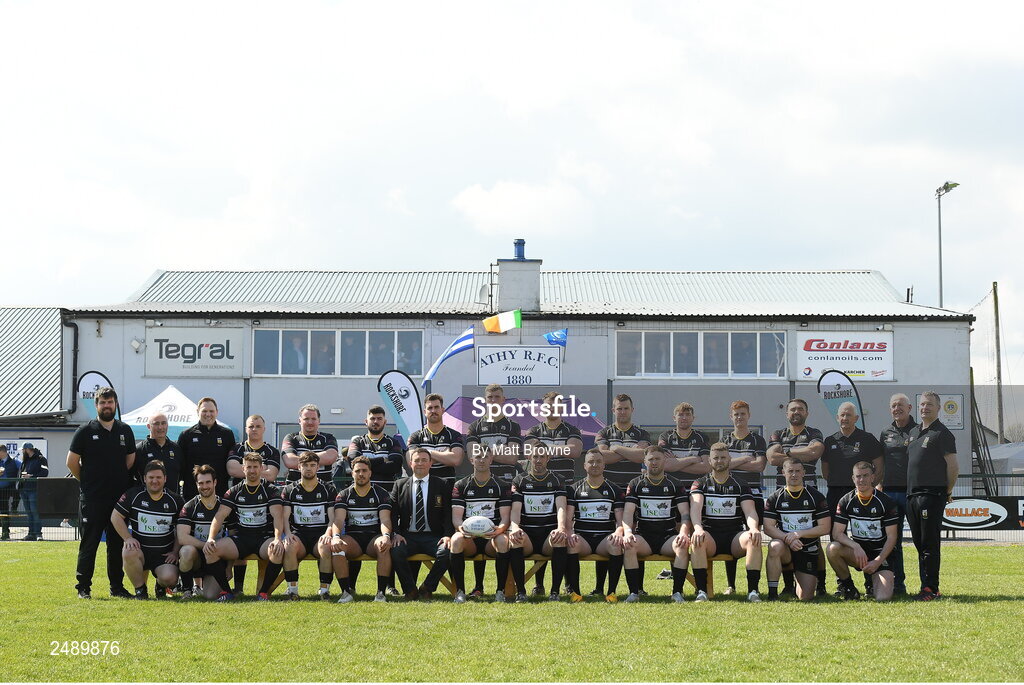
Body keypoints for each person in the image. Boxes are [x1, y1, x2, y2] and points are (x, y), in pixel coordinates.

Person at [67, 386, 136, 599]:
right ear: (96, 405)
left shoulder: (125, 430)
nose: (107, 406)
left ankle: (116, 587)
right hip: (93, 499)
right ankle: (83, 588)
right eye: (103, 403)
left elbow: (130, 460)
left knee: (116, 545)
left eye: (110, 402)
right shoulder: (85, 431)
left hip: (118, 500)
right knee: (90, 544)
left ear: (115, 404)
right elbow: (71, 462)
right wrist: (87, 482)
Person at [203, 453, 286, 601]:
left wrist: (278, 538)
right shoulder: (234, 491)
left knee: (277, 551)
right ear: (243, 468)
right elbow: (220, 516)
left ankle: (263, 593)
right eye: (249, 467)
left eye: (255, 467)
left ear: (261, 468)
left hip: (264, 538)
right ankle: (226, 592)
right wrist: (210, 538)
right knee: (211, 551)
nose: (252, 471)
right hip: (241, 539)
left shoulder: (271, 489)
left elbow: (277, 516)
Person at [465, 384, 522, 596]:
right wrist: (496, 453)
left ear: (503, 400)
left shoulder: (513, 426)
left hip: (505, 485)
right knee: (479, 529)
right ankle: (478, 587)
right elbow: (473, 454)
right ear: (485, 401)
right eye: (489, 397)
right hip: (481, 485)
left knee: (502, 534)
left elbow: (513, 457)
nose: (493, 400)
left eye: (497, 397)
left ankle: (506, 587)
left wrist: (486, 455)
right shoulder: (475, 427)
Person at [689, 443, 763, 602]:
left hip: (734, 538)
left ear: (729, 459)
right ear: (710, 460)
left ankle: (753, 591)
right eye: (716, 458)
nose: (719, 461)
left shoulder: (741, 484)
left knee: (753, 539)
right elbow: (695, 509)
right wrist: (697, 528)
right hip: (711, 538)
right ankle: (702, 591)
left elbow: (750, 511)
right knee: (697, 539)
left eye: (723, 457)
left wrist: (753, 528)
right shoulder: (700, 483)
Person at [767, 399, 826, 595]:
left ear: (807, 413)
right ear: (787, 414)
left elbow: (815, 451)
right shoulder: (778, 434)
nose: (796, 412)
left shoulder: (814, 433)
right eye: (792, 409)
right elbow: (771, 458)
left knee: (814, 540)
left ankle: (821, 585)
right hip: (783, 492)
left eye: (800, 409)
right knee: (784, 537)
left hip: (809, 491)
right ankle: (787, 585)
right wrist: (802, 455)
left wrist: (788, 451)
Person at [620, 446, 691, 603]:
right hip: (644, 537)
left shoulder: (675, 484)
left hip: (667, 536)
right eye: (650, 459)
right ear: (644, 462)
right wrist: (628, 532)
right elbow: (627, 513)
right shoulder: (636, 483)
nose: (654, 462)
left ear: (664, 461)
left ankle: (677, 593)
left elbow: (685, 514)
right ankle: (634, 593)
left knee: (682, 545)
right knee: (629, 545)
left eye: (657, 459)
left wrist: (684, 533)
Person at [906, 391, 957, 601]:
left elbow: (953, 466)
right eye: (922, 405)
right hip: (912, 495)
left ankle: (931, 588)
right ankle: (924, 585)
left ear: (938, 408)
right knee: (919, 544)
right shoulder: (914, 432)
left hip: (931, 494)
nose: (924, 408)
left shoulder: (942, 433)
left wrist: (947, 490)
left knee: (929, 544)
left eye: (929, 405)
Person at [826, 461, 899, 601]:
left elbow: (892, 537)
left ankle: (871, 583)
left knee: (883, 598)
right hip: (858, 554)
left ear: (873, 477)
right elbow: (837, 533)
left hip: (879, 554)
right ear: (853, 479)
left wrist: (878, 561)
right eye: (858, 476)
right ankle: (849, 588)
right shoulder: (846, 500)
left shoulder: (886, 501)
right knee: (832, 548)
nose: (862, 480)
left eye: (866, 476)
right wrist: (855, 546)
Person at [111, 460, 184, 598]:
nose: (154, 481)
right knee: (128, 551)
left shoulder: (175, 500)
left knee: (170, 578)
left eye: (158, 477)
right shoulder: (133, 494)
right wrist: (128, 538)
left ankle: (160, 585)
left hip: (163, 556)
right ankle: (140, 590)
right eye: (151, 477)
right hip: (141, 552)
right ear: (144, 478)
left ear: (165, 479)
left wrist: (175, 552)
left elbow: (182, 530)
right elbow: (115, 517)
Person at [389, 449, 454, 601]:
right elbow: (392, 514)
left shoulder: (442, 484)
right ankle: (410, 590)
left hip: (434, 536)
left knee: (446, 552)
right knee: (396, 551)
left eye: (424, 460)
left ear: (431, 463)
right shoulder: (399, 485)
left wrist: (447, 535)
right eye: (417, 460)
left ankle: (427, 587)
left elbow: (448, 514)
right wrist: (396, 533)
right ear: (410, 463)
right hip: (407, 536)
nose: (420, 463)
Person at [449, 448, 512, 603]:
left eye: (485, 457)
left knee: (503, 541)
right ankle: (460, 592)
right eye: (478, 457)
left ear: (491, 459)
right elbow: (456, 518)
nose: (481, 460)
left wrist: (500, 530)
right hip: (470, 538)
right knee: (456, 540)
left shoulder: (502, 485)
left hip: (492, 537)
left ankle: (500, 591)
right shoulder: (461, 485)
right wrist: (461, 529)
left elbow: (505, 518)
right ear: (471, 460)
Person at [763, 458, 830, 601]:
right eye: (790, 471)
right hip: (786, 546)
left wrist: (798, 534)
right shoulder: (775, 497)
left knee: (805, 597)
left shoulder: (816, 496)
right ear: (783, 473)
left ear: (804, 473)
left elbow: (825, 527)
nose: (794, 475)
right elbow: (768, 527)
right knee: (774, 546)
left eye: (798, 471)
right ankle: (773, 594)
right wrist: (788, 538)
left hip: (807, 548)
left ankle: (817, 585)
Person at [508, 445, 569, 602]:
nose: (538, 460)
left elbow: (561, 506)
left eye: (542, 457)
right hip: (528, 534)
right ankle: (521, 592)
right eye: (535, 457)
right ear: (529, 458)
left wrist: (561, 528)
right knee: (515, 540)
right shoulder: (519, 480)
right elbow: (515, 509)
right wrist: (514, 527)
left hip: (548, 535)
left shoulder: (558, 480)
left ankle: (554, 592)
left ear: (548, 458)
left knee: (560, 538)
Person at [565, 448, 625, 603]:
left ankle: (611, 593)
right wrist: (570, 532)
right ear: (584, 466)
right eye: (591, 461)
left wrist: (619, 531)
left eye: (598, 461)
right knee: (572, 544)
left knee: (616, 544)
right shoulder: (574, 489)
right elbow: (568, 517)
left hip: (604, 539)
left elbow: (620, 520)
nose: (595, 464)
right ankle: (576, 593)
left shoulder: (614, 489)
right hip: (583, 538)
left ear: (604, 465)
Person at [330, 456, 393, 602]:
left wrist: (386, 536)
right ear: (352, 473)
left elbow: (385, 519)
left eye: (364, 470)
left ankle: (380, 593)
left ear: (370, 473)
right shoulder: (344, 494)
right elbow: (338, 519)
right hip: (353, 540)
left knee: (383, 546)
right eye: (357, 471)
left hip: (373, 537)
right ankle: (346, 593)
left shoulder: (381, 493)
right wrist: (336, 536)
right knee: (337, 547)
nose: (361, 474)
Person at [721, 400, 767, 595]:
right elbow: (720, 466)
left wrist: (733, 463)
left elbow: (759, 466)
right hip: (730, 495)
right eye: (736, 414)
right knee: (731, 535)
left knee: (753, 538)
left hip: (753, 494)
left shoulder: (757, 440)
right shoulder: (725, 441)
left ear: (749, 415)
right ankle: (731, 585)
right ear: (730, 417)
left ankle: (753, 586)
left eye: (742, 414)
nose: (739, 417)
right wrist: (744, 459)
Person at [281, 453, 337, 600]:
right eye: (305, 465)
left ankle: (324, 591)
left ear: (318, 467)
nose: (308, 468)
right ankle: (292, 591)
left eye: (312, 465)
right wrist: (287, 534)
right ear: (299, 467)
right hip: (299, 534)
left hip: (320, 533)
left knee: (325, 546)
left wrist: (327, 533)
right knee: (289, 546)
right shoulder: (289, 490)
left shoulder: (328, 489)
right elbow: (285, 517)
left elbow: (333, 518)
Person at [878, 393, 916, 595]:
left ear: (909, 407)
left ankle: (927, 585)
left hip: (914, 493)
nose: (897, 409)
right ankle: (898, 585)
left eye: (900, 405)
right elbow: (880, 462)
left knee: (920, 541)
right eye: (893, 406)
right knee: (893, 542)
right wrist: (878, 485)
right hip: (891, 494)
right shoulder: (885, 432)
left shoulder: (920, 431)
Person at [176, 465, 229, 599]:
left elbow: (234, 536)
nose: (204, 486)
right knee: (186, 551)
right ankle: (187, 590)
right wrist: (204, 545)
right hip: (197, 559)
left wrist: (230, 566)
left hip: (217, 559)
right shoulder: (190, 506)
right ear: (196, 484)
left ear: (215, 482)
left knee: (210, 596)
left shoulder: (225, 506)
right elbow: (182, 537)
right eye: (201, 483)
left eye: (208, 482)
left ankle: (229, 587)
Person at [178, 397, 236, 499]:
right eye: (204, 411)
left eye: (211, 411)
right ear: (197, 412)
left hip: (220, 492)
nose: (208, 414)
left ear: (217, 412)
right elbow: (180, 465)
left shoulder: (227, 434)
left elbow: (231, 462)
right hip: (193, 494)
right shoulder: (186, 435)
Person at [596, 394, 652, 489]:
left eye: (626, 408)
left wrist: (615, 448)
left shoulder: (642, 433)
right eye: (619, 409)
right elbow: (602, 457)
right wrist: (630, 452)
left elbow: (642, 456)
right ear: (613, 411)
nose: (623, 412)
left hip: (634, 487)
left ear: (632, 410)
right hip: (608, 487)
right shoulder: (604, 432)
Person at [406, 394, 465, 482]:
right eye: (430, 408)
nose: (433, 410)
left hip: (447, 486)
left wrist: (426, 454)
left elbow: (456, 460)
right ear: (425, 412)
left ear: (443, 410)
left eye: (436, 407)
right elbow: (412, 461)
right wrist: (444, 455)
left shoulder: (454, 435)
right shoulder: (415, 436)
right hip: (423, 486)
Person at [346, 405, 405, 490]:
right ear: (366, 421)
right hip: (361, 494)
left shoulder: (393, 442)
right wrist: (382, 460)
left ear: (385, 422)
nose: (375, 421)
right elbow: (353, 462)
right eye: (372, 418)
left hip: (386, 493)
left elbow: (395, 466)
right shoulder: (358, 441)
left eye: (379, 419)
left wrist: (364, 465)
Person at [658, 402, 711, 488]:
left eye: (688, 414)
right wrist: (693, 459)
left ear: (693, 418)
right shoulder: (665, 436)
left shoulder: (702, 437)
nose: (684, 418)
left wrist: (675, 462)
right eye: (680, 415)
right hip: (671, 488)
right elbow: (664, 465)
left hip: (696, 489)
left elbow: (706, 467)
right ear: (674, 418)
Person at [282, 404, 339, 483]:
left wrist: (300, 459)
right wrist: (319, 459)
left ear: (319, 421)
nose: (310, 422)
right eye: (306, 419)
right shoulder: (291, 438)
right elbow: (289, 461)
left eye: (313, 419)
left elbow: (330, 457)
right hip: (295, 490)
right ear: (299, 421)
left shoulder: (328, 438)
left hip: (324, 490)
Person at [227, 415, 281, 488]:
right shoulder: (237, 448)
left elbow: (271, 476)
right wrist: (262, 468)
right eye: (251, 426)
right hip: (240, 494)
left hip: (265, 494)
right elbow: (232, 470)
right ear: (246, 429)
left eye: (258, 426)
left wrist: (245, 469)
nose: (254, 429)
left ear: (264, 429)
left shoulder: (272, 451)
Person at [134, 413, 182, 494]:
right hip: (146, 503)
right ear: (148, 426)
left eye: (163, 423)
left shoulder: (176, 449)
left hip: (172, 503)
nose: (160, 427)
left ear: (167, 425)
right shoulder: (139, 450)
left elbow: (182, 474)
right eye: (156, 424)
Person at [19, 444, 48, 541]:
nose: (22, 451)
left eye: (23, 450)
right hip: (24, 490)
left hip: (34, 490)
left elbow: (45, 473)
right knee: (29, 513)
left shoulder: (41, 459)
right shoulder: (25, 460)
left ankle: (38, 534)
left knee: (35, 512)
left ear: (27, 450)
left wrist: (31, 476)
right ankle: (31, 534)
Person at [0, 445, 22, 540]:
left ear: (3, 452)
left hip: (8, 488)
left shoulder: (14, 461)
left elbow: (23, 467)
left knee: (4, 511)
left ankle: (5, 532)